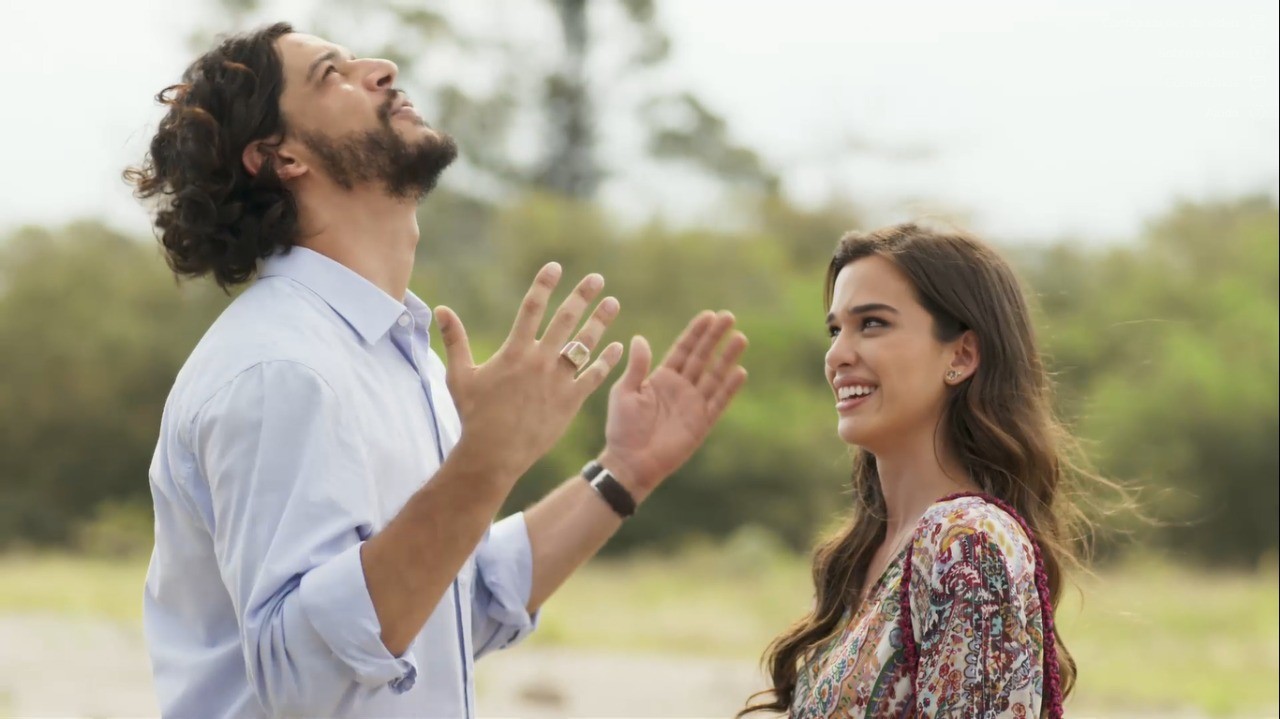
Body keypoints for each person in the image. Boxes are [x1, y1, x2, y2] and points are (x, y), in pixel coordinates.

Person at [125, 22, 748, 719]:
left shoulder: (396, 354)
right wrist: (483, 463)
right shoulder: (280, 368)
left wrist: (621, 472)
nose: (383, 68)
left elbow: (449, 605)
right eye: (333, 73)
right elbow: (304, 681)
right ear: (279, 156)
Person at [741, 223, 1092, 718]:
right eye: (835, 329)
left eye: (873, 324)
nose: (837, 355)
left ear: (962, 354)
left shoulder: (969, 543)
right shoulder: (872, 551)